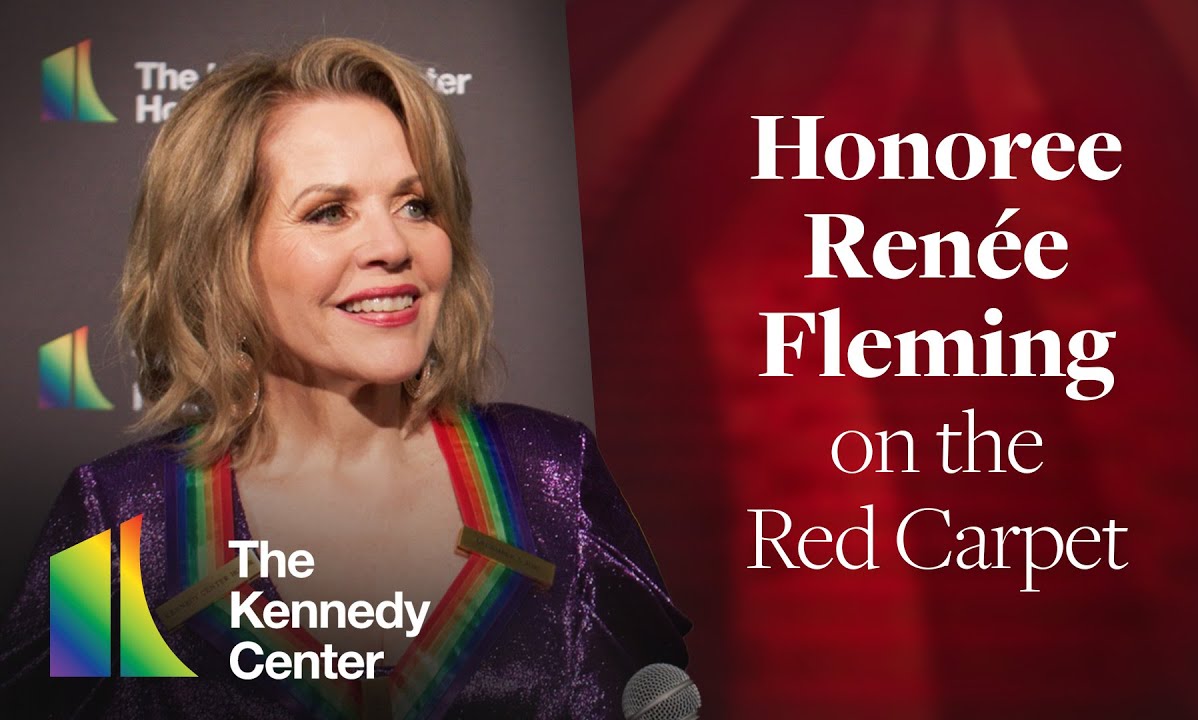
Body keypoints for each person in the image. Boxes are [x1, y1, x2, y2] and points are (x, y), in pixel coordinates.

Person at [0, 37, 689, 718]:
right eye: (330, 212)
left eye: (415, 204)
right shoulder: (121, 519)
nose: (393, 247)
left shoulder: (553, 481)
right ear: (218, 257)